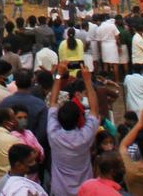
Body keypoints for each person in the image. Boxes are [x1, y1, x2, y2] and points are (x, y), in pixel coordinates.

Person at [46, 63, 100, 196]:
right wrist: (87, 80)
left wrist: (59, 74)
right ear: (78, 119)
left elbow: (53, 102)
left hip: (60, 191)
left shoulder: (53, 134)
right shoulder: (85, 136)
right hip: (84, 190)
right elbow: (94, 110)